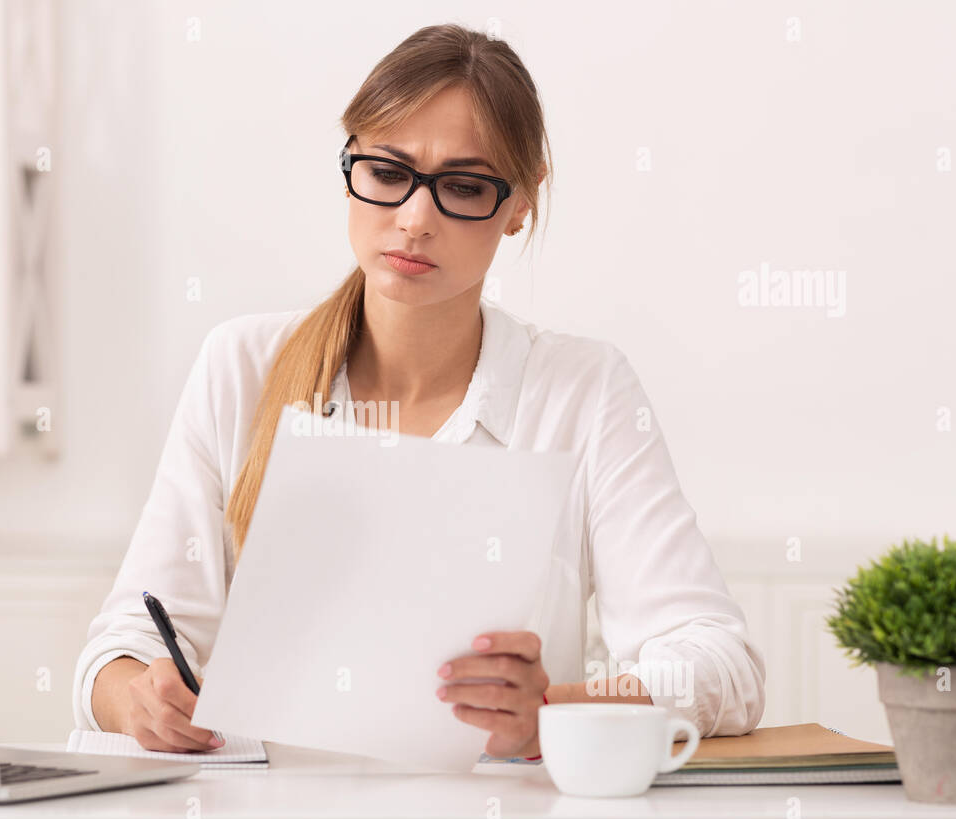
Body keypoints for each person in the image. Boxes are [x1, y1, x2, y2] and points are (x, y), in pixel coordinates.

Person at [73, 23, 765, 758]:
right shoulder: (240, 365)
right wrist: (136, 701)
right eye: (386, 172)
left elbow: (723, 666)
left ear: (522, 202)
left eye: (465, 187)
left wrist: (551, 711)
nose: (414, 219)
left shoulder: (583, 390)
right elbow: (115, 656)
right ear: (351, 164)